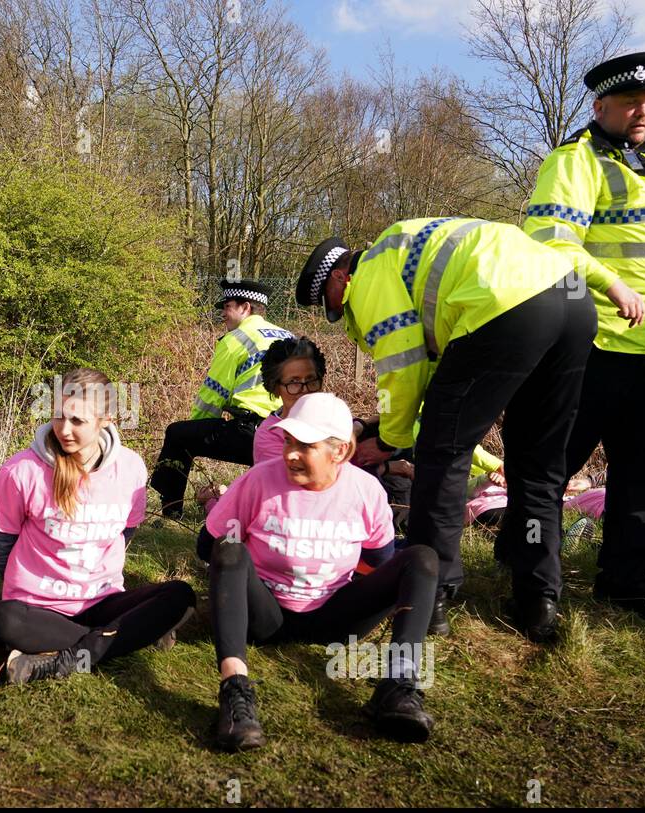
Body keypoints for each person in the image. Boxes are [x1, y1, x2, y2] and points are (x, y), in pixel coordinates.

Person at [297, 217, 596, 643]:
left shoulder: (371, 273)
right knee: (538, 462)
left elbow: (403, 364)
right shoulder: (412, 249)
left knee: (443, 454)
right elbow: (441, 376)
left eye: (331, 301)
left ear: (341, 277)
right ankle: (538, 600)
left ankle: (429, 595)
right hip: (573, 299)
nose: (338, 312)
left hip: (506, 305)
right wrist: (387, 424)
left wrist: (389, 441)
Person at [524, 50, 645, 626]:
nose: (643, 112)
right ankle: (533, 583)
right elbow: (549, 241)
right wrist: (610, 286)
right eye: (631, 101)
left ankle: (627, 584)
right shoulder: (575, 161)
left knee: (642, 478)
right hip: (588, 346)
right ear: (600, 105)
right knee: (548, 472)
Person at [197, 393, 439, 749]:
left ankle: (398, 687)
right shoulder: (259, 481)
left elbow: (380, 561)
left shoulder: (365, 490)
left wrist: (332, 579)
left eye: (304, 445)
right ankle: (235, 691)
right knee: (230, 549)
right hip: (266, 616)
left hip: (335, 618)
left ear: (339, 451)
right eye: (288, 441)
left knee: (422, 559)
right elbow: (209, 546)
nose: (290, 453)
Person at [0, 368, 195, 684]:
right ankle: (125, 637)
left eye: (78, 421)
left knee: (181, 596)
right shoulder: (21, 471)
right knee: (1, 621)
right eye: (59, 417)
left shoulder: (131, 468)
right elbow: (0, 542)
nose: (63, 430)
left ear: (106, 419)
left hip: (102, 600)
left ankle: (69, 658)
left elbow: (126, 532)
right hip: (37, 606)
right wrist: (27, 578)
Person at [150, 279, 293, 519]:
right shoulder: (288, 336)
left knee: (178, 435)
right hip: (287, 432)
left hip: (251, 431)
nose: (223, 314)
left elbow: (213, 393)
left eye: (227, 307)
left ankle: (171, 511)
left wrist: (197, 428)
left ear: (245, 307)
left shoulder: (237, 339)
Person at [194, 335, 326, 510]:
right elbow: (293, 493)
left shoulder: (334, 420)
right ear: (275, 387)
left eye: (311, 380)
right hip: (276, 514)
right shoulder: (269, 435)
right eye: (293, 382)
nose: (305, 390)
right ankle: (216, 501)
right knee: (228, 525)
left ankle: (226, 493)